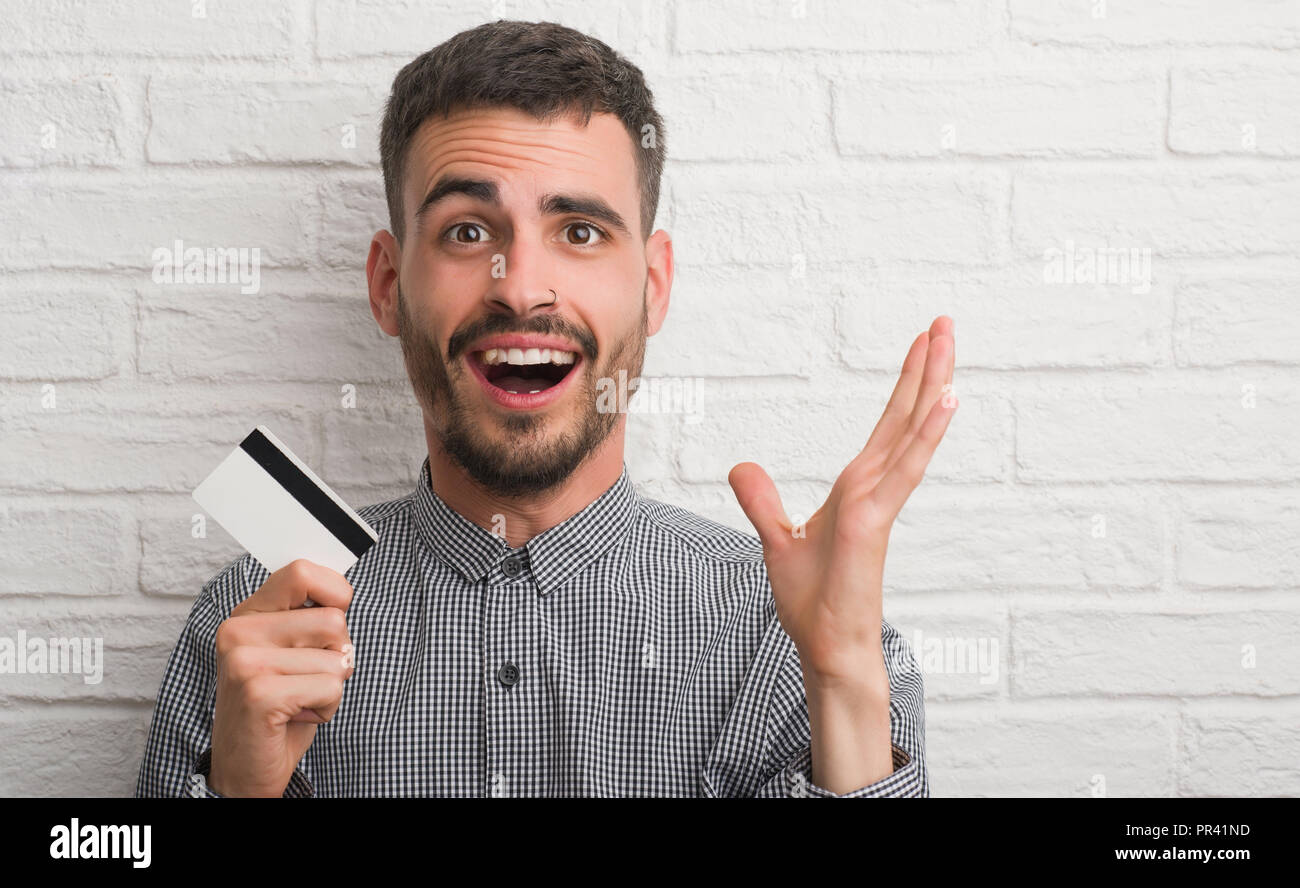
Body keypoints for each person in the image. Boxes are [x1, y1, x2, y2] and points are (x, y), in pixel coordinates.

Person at [136, 18, 956, 798]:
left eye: (581, 231)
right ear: (389, 286)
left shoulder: (801, 640)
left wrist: (844, 676)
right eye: (465, 232)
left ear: (653, 285)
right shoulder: (259, 618)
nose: (522, 287)